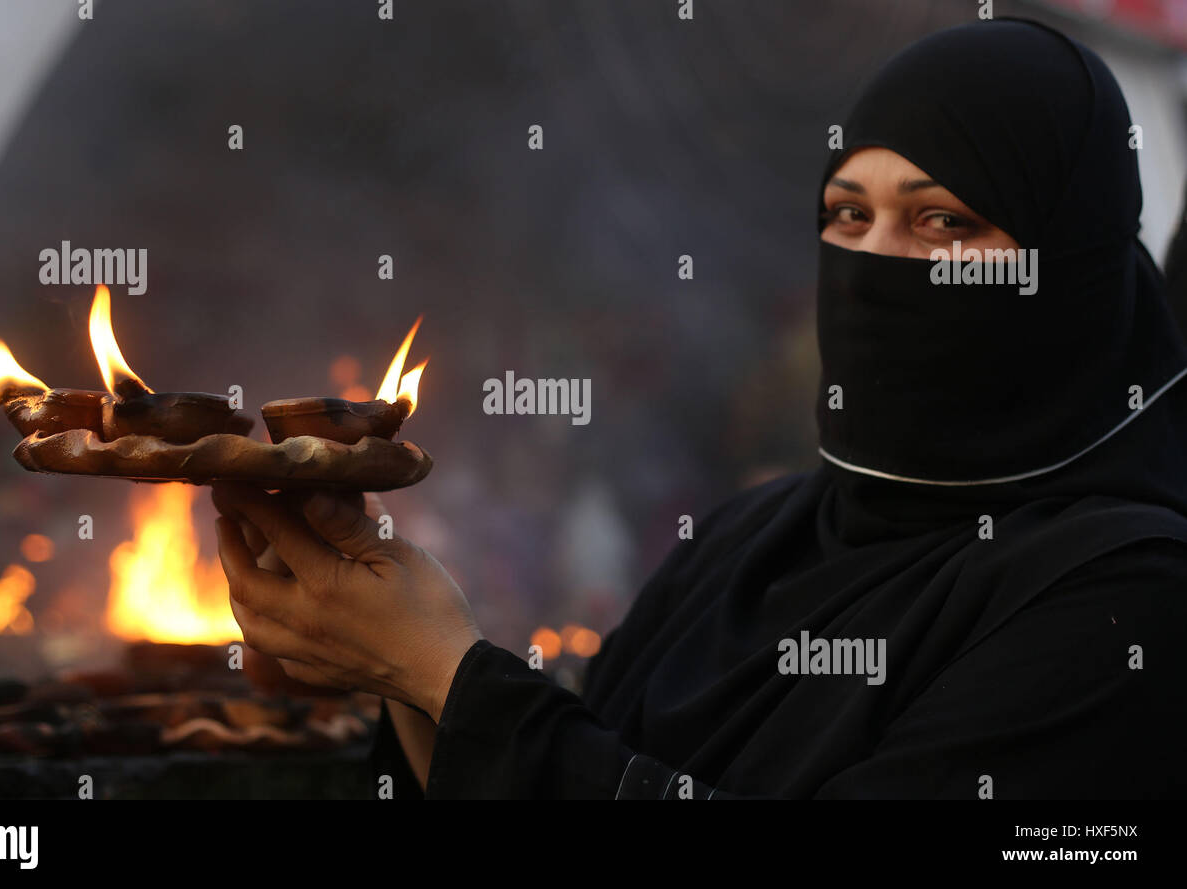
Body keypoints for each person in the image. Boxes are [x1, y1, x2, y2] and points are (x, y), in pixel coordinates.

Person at [210, 18, 1187, 799]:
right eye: (848, 214)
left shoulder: (1123, 596)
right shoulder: (743, 540)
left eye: (942, 220)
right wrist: (401, 673)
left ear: (1068, 271)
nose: (875, 259)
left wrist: (447, 673)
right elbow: (554, 765)